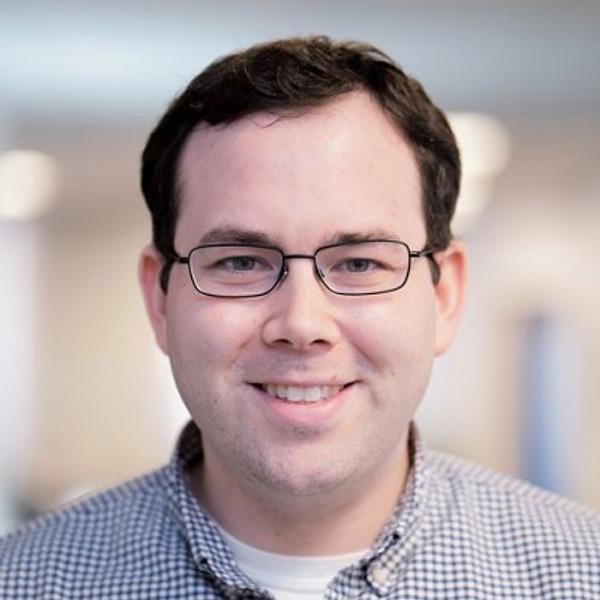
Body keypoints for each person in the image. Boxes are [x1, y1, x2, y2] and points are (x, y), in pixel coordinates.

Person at [1, 36, 599, 600]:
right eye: (239, 262)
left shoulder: (581, 572)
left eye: (360, 263)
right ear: (159, 299)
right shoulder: (23, 582)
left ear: (445, 296)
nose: (302, 323)